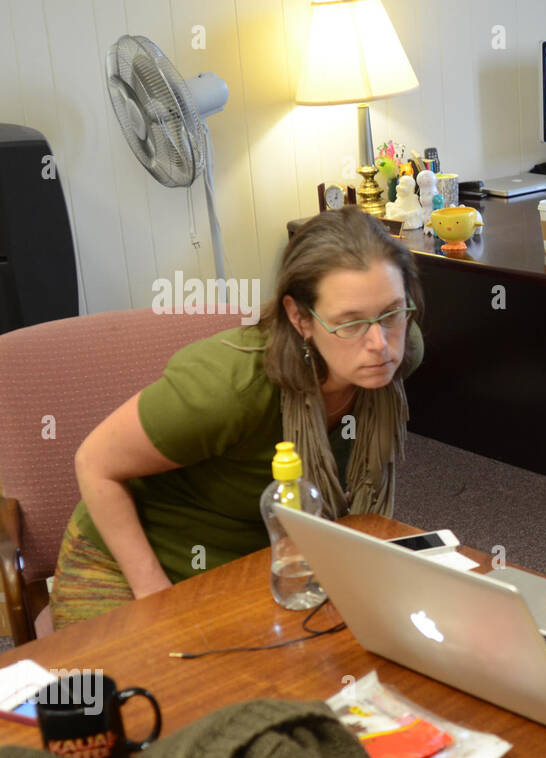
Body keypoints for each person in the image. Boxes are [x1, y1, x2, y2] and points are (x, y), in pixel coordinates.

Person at [51, 207, 425, 628]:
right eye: (350, 322)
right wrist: (155, 600)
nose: (380, 343)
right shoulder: (230, 386)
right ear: (300, 318)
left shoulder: (401, 349)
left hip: (268, 563)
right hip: (132, 566)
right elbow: (94, 463)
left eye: (391, 313)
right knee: (163, 691)